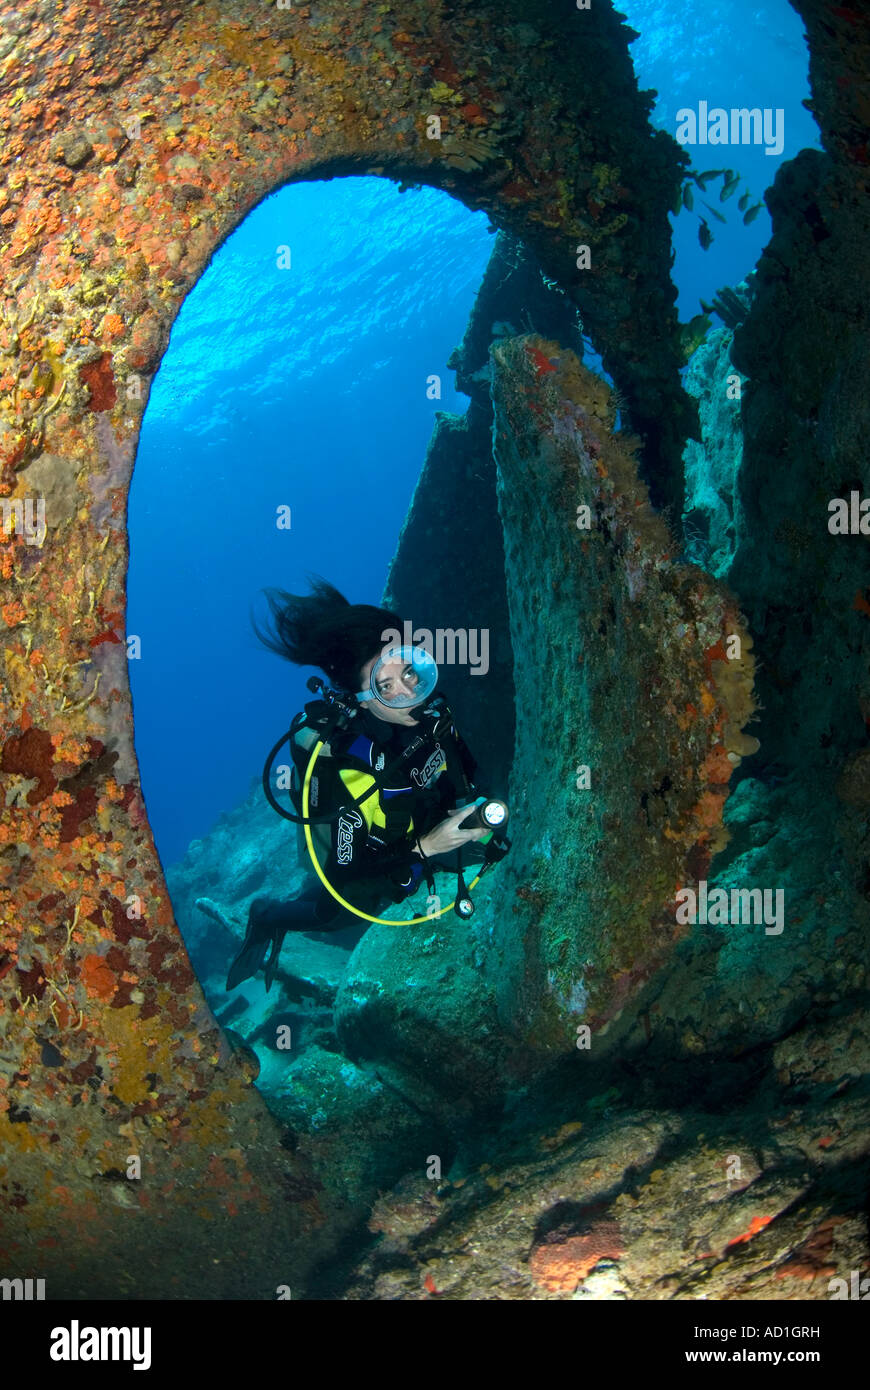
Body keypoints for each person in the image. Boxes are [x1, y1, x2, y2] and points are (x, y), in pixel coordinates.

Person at [202, 576, 509, 992]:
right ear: (361, 699)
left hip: (415, 825)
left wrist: (469, 806)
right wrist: (426, 847)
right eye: (386, 687)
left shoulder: (435, 711)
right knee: (338, 915)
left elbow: (466, 771)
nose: (410, 694)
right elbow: (347, 875)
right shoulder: (351, 770)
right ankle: (266, 916)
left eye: (409, 671)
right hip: (365, 854)